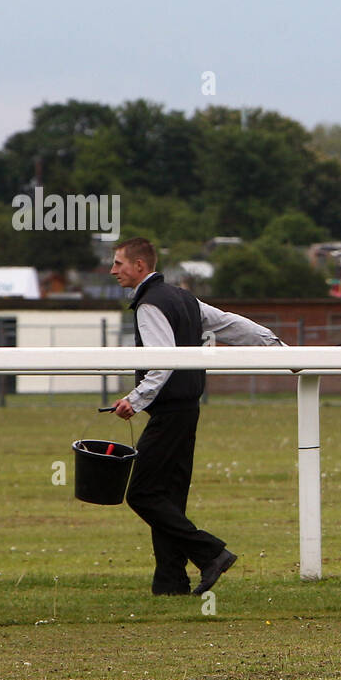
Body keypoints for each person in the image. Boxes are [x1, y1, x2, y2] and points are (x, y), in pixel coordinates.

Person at [109, 237, 286, 596]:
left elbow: (163, 361)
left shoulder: (149, 305)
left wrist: (135, 400)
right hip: (188, 410)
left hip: (169, 412)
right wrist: (278, 347)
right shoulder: (183, 298)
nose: (113, 270)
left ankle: (211, 554)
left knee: (141, 494)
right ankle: (170, 581)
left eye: (118, 263)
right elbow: (230, 324)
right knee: (169, 497)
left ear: (140, 267)